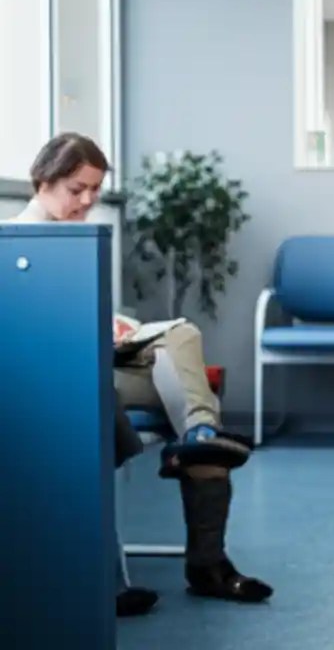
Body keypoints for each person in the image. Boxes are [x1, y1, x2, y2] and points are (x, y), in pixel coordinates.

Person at [5, 133, 272, 614]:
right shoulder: (13, 243)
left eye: (94, 190)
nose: (87, 201)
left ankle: (199, 441)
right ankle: (123, 580)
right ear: (42, 181)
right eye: (75, 188)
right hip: (65, 376)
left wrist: (115, 327)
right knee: (114, 395)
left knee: (183, 339)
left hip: (103, 361)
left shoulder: (83, 237)